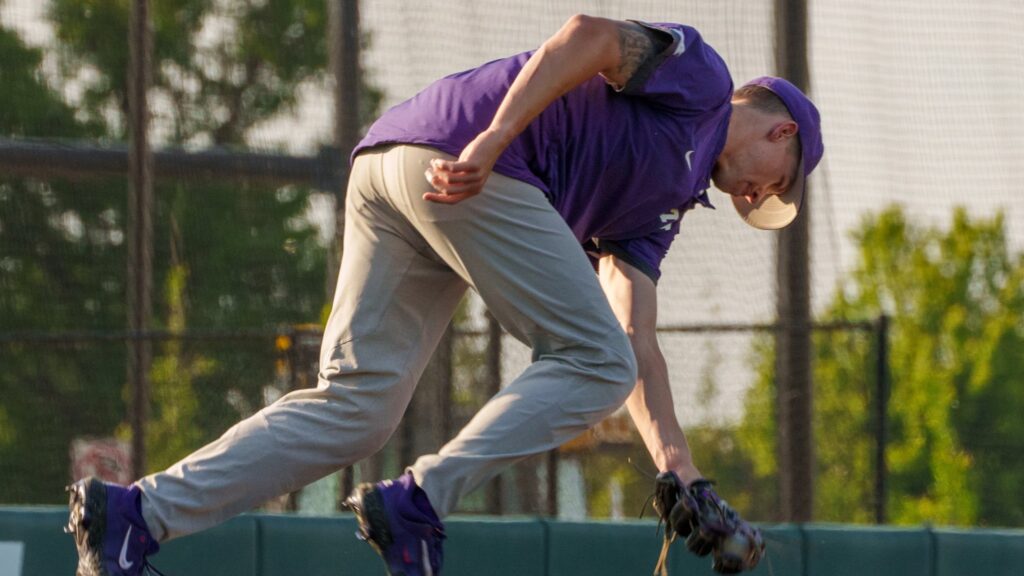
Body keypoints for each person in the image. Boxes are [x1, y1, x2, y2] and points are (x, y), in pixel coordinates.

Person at [66, 14, 823, 576]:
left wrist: (679, 469)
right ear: (781, 132)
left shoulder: (664, 209)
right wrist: (494, 139)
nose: (759, 196)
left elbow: (635, 341)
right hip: (472, 161)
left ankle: (134, 513)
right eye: (774, 184)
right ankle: (418, 500)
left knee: (359, 404)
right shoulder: (705, 84)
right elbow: (588, 37)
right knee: (591, 359)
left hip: (395, 167)